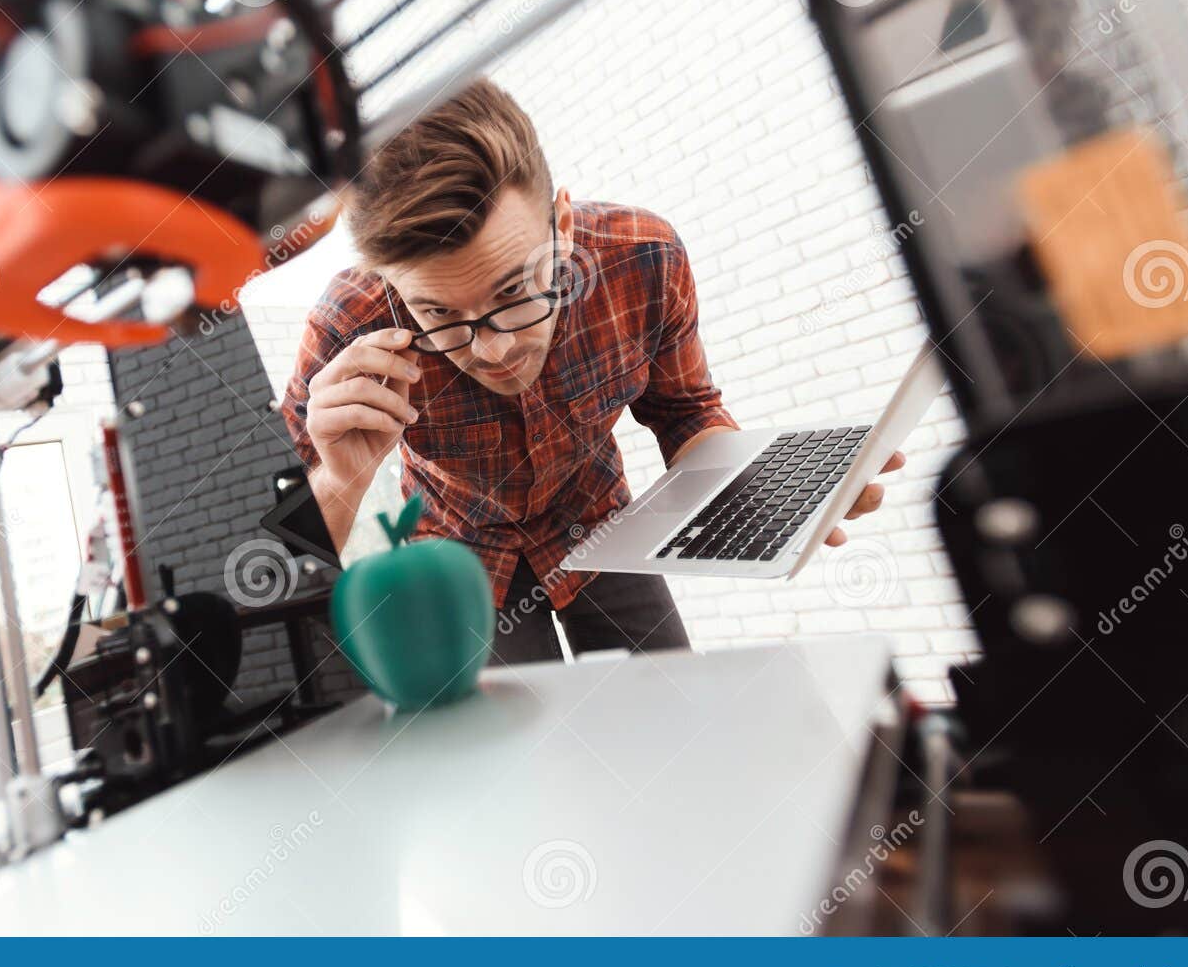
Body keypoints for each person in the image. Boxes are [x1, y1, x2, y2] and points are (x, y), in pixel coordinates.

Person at [280, 79, 901, 664]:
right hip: (455, 554)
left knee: (671, 724)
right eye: (438, 312)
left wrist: (772, 493)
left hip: (600, 524)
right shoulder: (347, 327)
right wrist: (341, 477)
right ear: (389, 283)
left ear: (563, 224)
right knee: (517, 761)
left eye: (515, 290)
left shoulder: (642, 258)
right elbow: (296, 556)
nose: (494, 351)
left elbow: (684, 413)